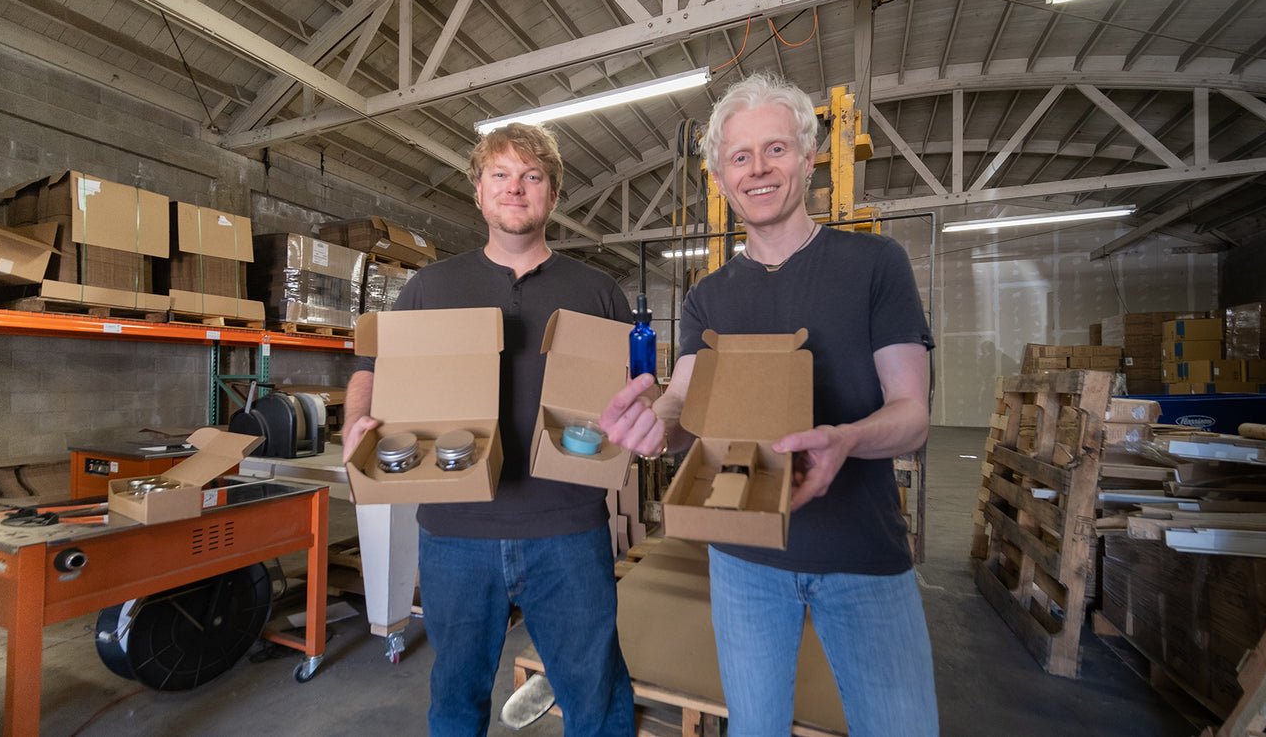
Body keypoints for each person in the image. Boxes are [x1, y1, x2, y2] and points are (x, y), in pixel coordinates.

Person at [599, 73, 939, 736]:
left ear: (807, 158)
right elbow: (681, 404)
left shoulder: (875, 265)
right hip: (744, 562)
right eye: (740, 157)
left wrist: (844, 439)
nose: (758, 169)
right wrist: (651, 424)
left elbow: (911, 412)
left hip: (861, 555)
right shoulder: (710, 297)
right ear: (721, 178)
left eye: (775, 150)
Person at [342, 122, 635, 736]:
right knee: (456, 698)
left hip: (568, 530)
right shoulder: (430, 288)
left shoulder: (597, 292)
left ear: (552, 196)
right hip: (456, 535)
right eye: (500, 175)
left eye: (532, 177)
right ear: (478, 192)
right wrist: (355, 422)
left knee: (598, 698)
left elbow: (637, 388)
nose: (515, 188)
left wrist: (647, 414)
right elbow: (373, 368)